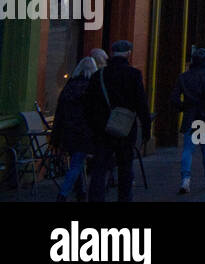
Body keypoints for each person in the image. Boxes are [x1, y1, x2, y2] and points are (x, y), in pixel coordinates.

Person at [82, 39, 150, 203]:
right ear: (128, 54)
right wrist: (146, 129)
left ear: (111, 54)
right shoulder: (134, 75)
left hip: (103, 130)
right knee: (125, 167)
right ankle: (124, 198)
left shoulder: (100, 75)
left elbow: (89, 104)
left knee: (100, 168)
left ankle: (96, 199)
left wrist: (93, 127)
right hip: (125, 128)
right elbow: (141, 104)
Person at [169, 47, 205, 194]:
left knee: (188, 149)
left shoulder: (183, 77)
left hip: (190, 117)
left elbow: (174, 98)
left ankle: (185, 179)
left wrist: (184, 107)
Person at [51, 57, 98, 202]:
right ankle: (63, 194)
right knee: (77, 164)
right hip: (84, 132)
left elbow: (60, 112)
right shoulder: (92, 87)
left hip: (68, 131)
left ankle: (80, 192)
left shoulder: (69, 86)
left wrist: (56, 135)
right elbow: (95, 113)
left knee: (75, 162)